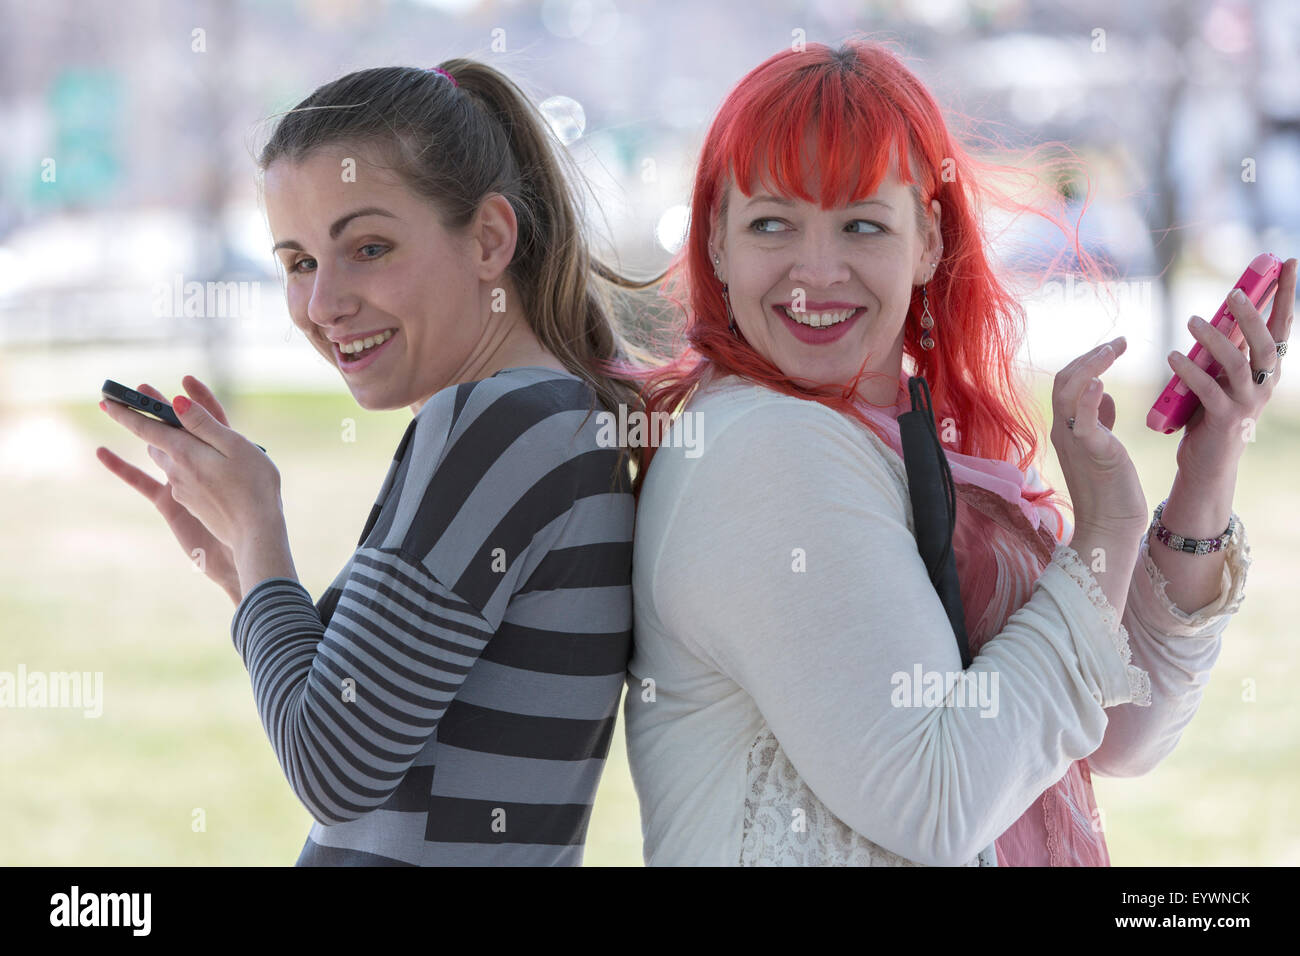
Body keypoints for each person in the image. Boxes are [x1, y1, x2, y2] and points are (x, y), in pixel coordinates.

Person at [620, 37, 1292, 866]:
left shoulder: (907, 438)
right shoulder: (768, 445)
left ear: (928, 241)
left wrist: (1208, 460)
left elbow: (1121, 725)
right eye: (772, 224)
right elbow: (939, 803)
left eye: (862, 223)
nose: (816, 270)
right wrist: (1106, 528)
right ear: (718, 243)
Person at [96, 60, 647, 865]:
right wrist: (243, 572)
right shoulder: (548, 419)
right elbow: (386, 729)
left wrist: (261, 533)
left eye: (370, 247)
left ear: (491, 239)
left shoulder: (498, 422)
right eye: (299, 263)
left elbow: (331, 766)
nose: (323, 305)